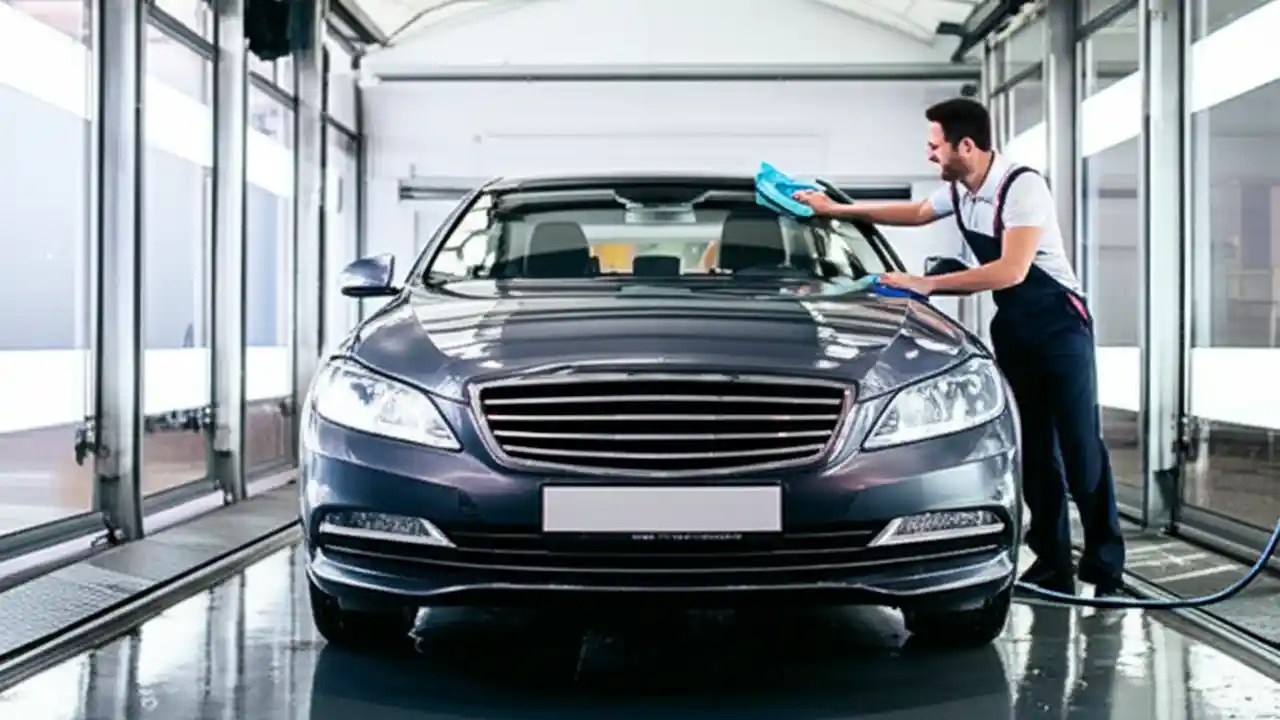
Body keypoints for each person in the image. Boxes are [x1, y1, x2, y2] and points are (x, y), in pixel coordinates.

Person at [792, 97, 1125, 597]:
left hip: (1060, 329)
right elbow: (918, 211)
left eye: (934, 145)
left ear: (964, 145)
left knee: (1080, 450)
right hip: (1014, 325)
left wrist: (925, 285)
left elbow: (1010, 270)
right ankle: (1053, 562)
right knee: (1034, 453)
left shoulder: (1021, 186)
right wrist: (838, 209)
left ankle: (1105, 567)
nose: (929, 155)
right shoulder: (962, 187)